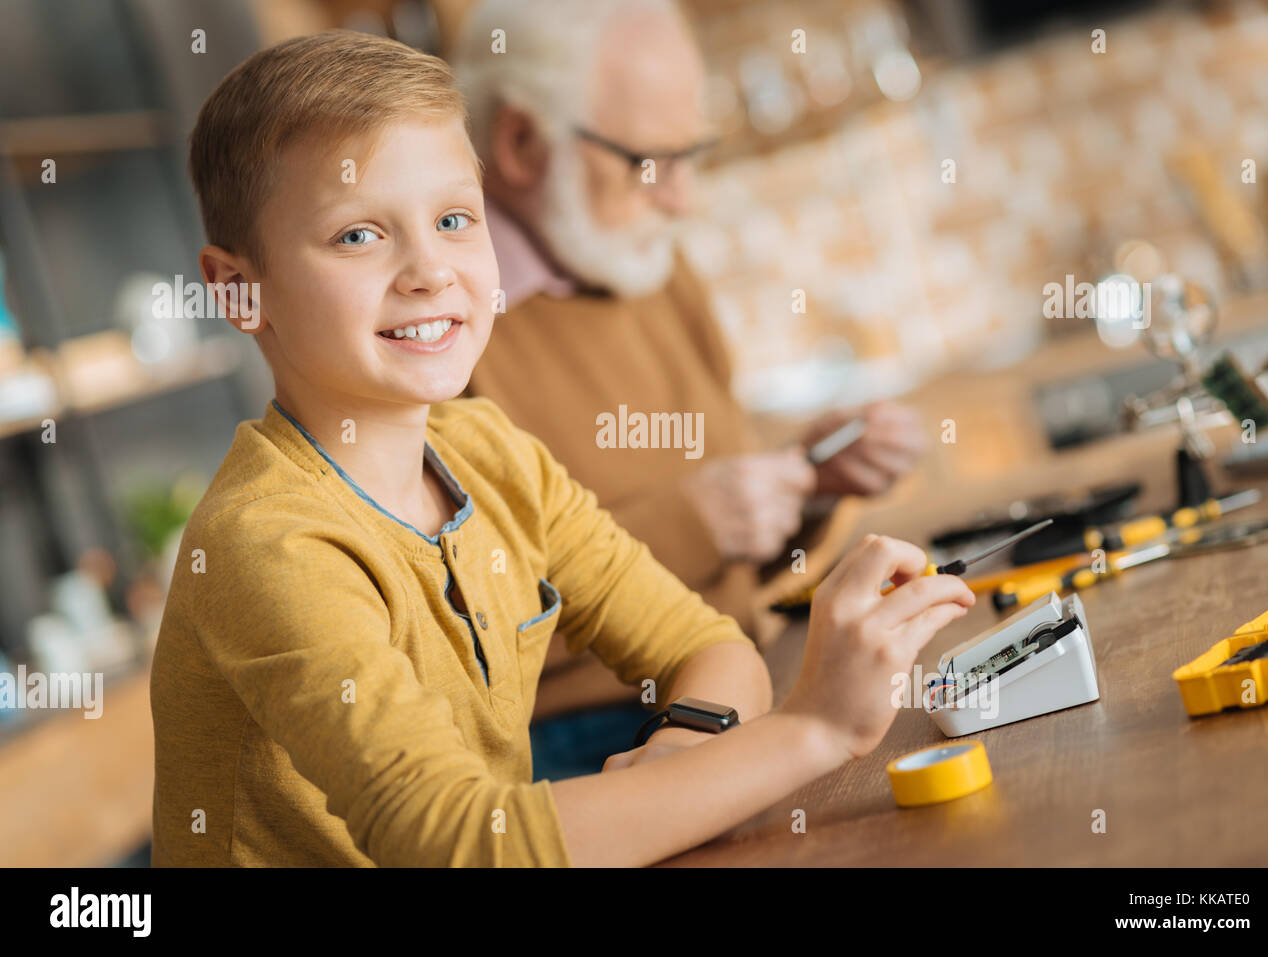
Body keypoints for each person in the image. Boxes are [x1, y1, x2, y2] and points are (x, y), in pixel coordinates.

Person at [150, 30, 973, 867]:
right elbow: (461, 843)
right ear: (239, 289)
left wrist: (680, 756)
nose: (430, 270)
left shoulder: (488, 451)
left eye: (452, 219)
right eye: (358, 236)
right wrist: (813, 728)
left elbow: (707, 643)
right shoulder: (268, 543)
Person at [451, 0, 928, 768]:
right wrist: (694, 523)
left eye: (688, 156)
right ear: (519, 143)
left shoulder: (650, 268)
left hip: (733, 677)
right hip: (582, 740)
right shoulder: (440, 331)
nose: (682, 198)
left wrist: (805, 488)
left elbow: (722, 567)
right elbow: (468, 626)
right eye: (648, 163)